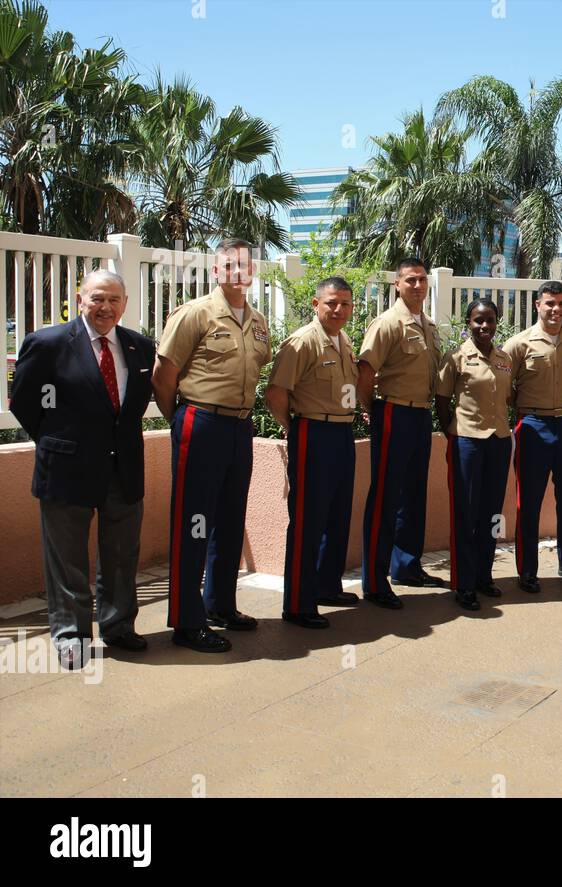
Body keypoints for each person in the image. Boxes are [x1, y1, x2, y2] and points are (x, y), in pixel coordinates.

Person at [11, 270, 156, 668]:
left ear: (124, 303)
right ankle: (71, 633)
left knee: (122, 553)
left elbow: (134, 407)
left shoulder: (140, 347)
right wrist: (60, 440)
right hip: (66, 468)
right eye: (97, 299)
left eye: (113, 300)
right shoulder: (48, 344)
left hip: (123, 468)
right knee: (67, 558)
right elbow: (24, 403)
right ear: (80, 299)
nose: (105, 307)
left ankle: (119, 626)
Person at [153, 238, 272, 653]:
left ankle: (220, 605)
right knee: (194, 523)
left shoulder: (258, 322)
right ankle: (186, 622)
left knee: (229, 518)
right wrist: (184, 422)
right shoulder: (195, 314)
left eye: (245, 265)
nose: (238, 272)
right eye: (229, 265)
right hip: (200, 424)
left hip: (239, 429)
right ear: (216, 271)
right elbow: (163, 377)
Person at [265, 277, 360, 629]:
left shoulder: (343, 340)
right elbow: (276, 394)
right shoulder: (302, 342)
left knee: (337, 515)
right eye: (332, 303)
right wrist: (295, 428)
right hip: (312, 432)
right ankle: (298, 603)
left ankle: (326, 586)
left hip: (341, 432)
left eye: (345, 304)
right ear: (316, 304)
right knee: (308, 520)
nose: (339, 310)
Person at [356, 257, 444, 609]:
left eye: (422, 280)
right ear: (397, 284)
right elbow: (365, 373)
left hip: (420, 416)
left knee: (413, 495)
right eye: (411, 280)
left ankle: (407, 566)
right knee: (385, 498)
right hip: (393, 412)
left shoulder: (429, 326)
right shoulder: (388, 323)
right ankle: (375, 582)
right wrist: (371, 409)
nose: (418, 286)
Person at [503, 281, 562, 592]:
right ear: (538, 305)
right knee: (529, 502)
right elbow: (504, 387)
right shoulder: (519, 344)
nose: (556, 309)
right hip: (532, 426)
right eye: (550, 303)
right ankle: (527, 570)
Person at [435, 299, 514, 610]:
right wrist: (452, 432)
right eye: (478, 320)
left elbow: (508, 397)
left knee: (492, 513)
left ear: (497, 322)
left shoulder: (505, 359)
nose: (484, 326)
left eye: (490, 320)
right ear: (468, 322)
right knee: (466, 513)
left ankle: (484, 576)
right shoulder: (455, 358)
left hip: (499, 441)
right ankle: (464, 583)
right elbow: (441, 400)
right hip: (467, 442)